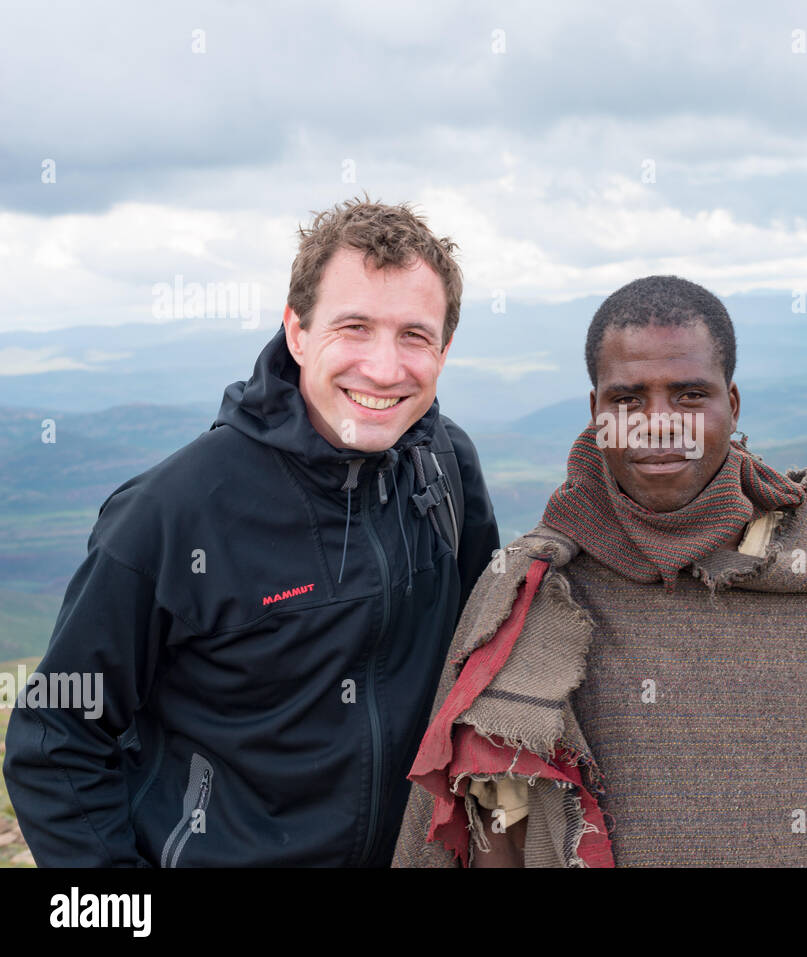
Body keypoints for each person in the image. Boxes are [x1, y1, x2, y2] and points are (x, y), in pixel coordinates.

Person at [3, 198, 499, 866]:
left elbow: (483, 663)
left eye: (414, 335)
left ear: (444, 348)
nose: (384, 368)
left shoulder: (445, 469)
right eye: (353, 327)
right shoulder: (174, 511)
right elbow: (53, 737)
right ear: (296, 331)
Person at [392, 275, 807, 867]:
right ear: (596, 411)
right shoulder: (533, 590)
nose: (658, 422)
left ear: (730, 405)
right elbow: (488, 824)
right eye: (627, 399)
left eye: (688, 396)